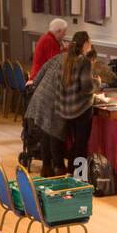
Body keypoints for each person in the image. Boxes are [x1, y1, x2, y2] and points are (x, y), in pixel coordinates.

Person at [27, 31, 96, 178]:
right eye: (90, 42)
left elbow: (45, 76)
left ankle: (58, 168)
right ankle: (79, 175)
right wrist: (97, 82)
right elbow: (86, 87)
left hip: (63, 108)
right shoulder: (84, 61)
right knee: (80, 144)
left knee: (58, 137)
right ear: (85, 44)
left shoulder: (62, 58)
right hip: (81, 109)